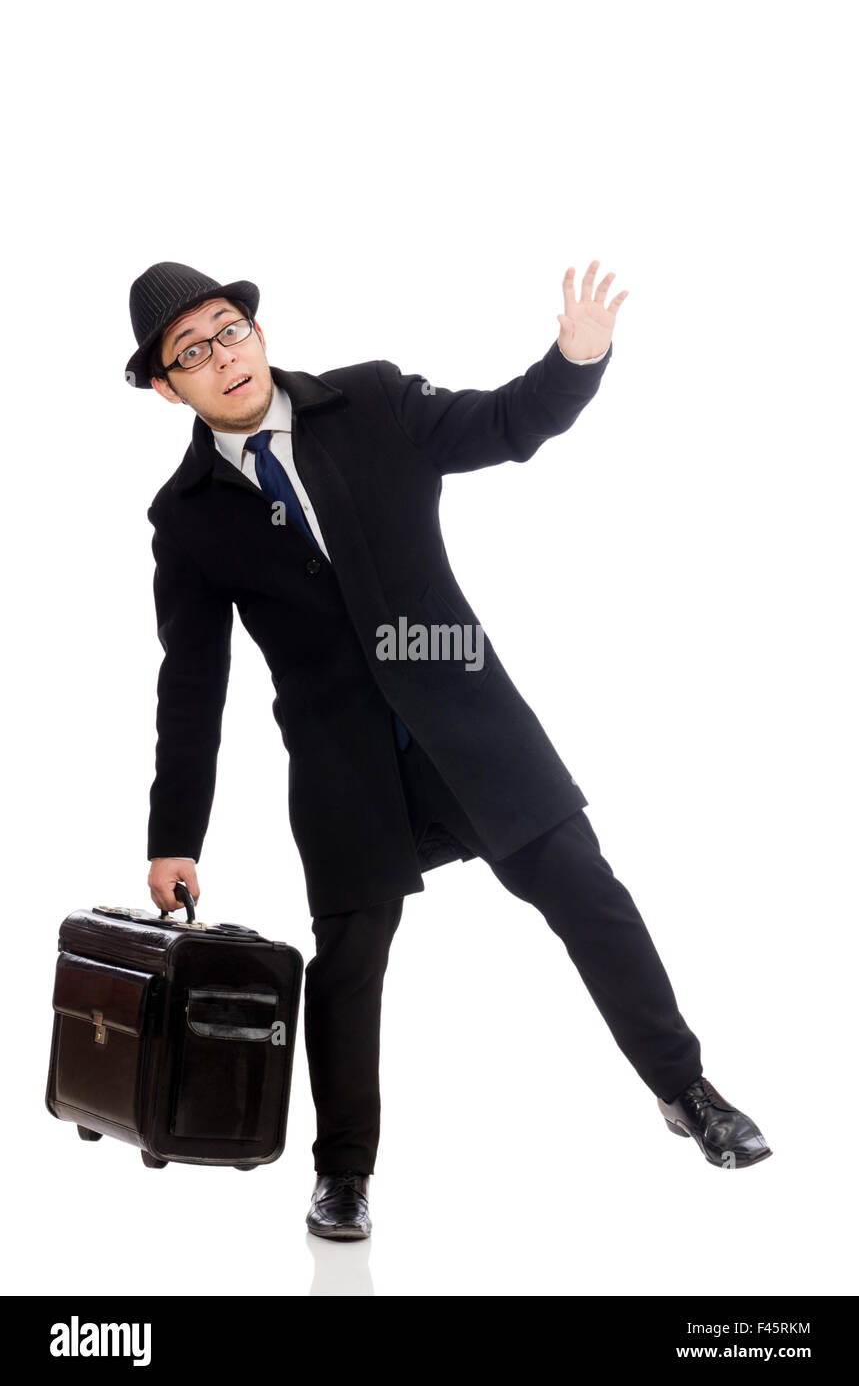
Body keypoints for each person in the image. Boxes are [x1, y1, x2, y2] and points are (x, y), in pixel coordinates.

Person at [127, 259, 772, 1240]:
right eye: (192, 351)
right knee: (347, 965)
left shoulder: (374, 402)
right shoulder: (187, 518)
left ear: (257, 331)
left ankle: (686, 1088)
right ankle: (342, 1173)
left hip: (467, 721)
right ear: (166, 384)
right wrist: (175, 833)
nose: (223, 355)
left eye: (230, 329)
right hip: (342, 766)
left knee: (586, 892)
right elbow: (192, 684)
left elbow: (506, 425)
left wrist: (575, 360)